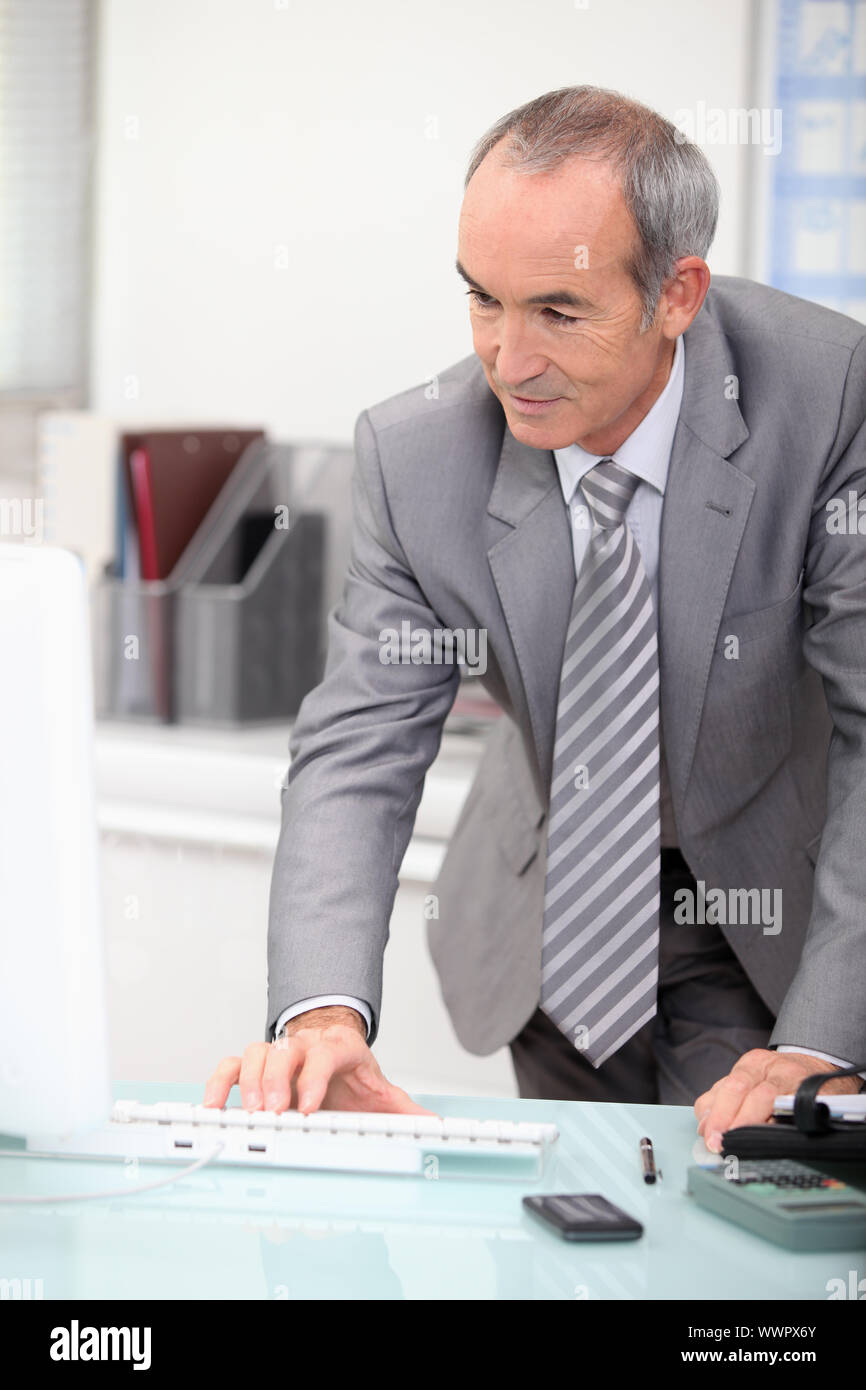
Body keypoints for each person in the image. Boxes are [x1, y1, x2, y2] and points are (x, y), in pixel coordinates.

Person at [205, 86, 866, 1150]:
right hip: (552, 913)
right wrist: (320, 1010)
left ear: (676, 293)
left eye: (557, 311)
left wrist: (826, 1034)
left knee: (737, 1254)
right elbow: (355, 747)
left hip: (770, 907)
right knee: (572, 1234)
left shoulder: (827, 393)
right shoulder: (418, 457)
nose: (507, 361)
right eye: (481, 301)